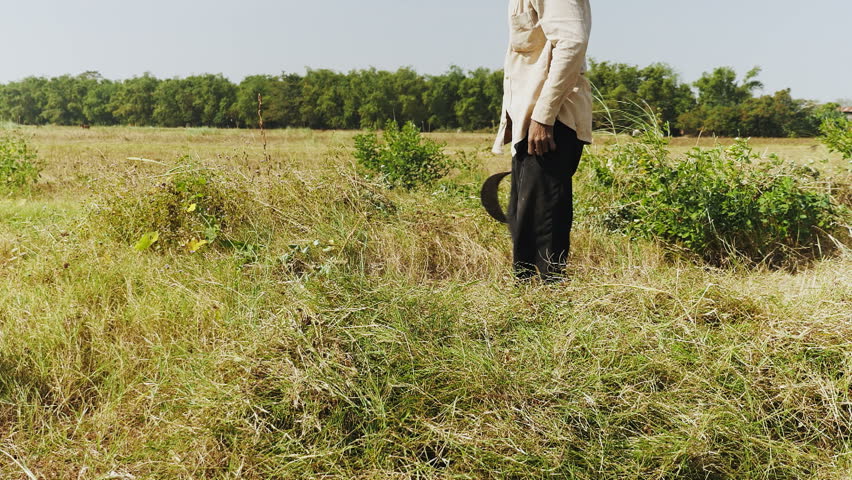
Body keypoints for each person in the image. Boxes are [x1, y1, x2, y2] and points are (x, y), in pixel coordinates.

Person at [492, 0, 593, 281]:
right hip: (533, 120)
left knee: (543, 221)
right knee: (524, 218)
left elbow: (572, 43)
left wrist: (543, 116)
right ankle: (529, 302)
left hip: (551, 122)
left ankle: (547, 302)